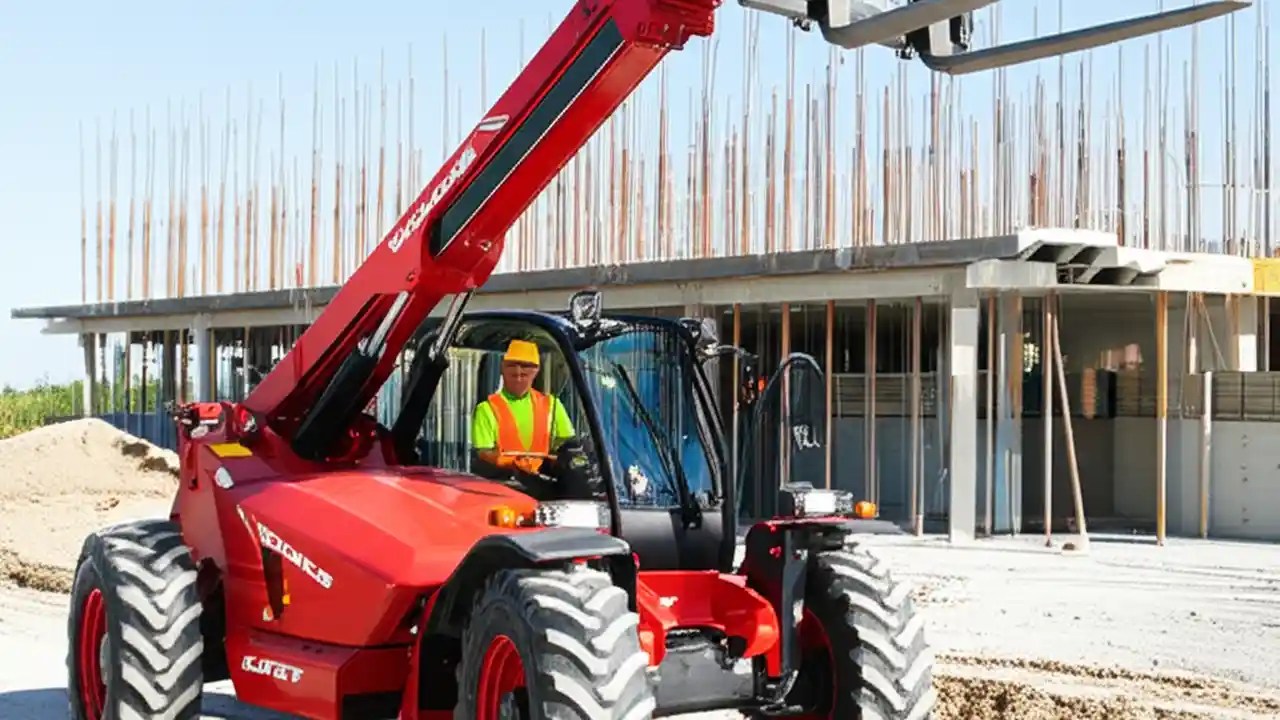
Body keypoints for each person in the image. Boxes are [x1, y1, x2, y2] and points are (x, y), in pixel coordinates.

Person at [472, 339, 575, 479]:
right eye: (513, 371)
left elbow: (568, 446)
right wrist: (512, 463)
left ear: (536, 371)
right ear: (502, 369)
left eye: (524, 372)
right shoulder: (486, 408)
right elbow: (483, 453)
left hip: (546, 485)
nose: (519, 376)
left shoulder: (552, 404)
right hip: (504, 485)